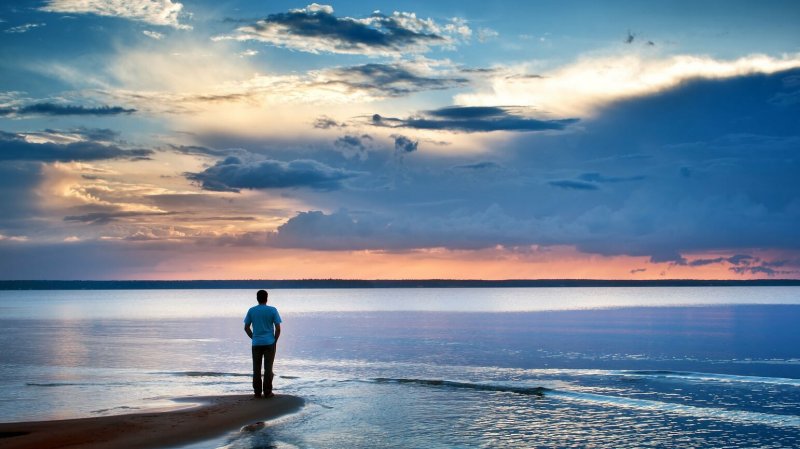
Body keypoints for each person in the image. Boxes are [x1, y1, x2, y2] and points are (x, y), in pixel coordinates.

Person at [244, 289, 282, 398]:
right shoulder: (272, 310)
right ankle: (267, 391)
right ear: (267, 298)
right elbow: (278, 328)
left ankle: (257, 392)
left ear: (257, 298)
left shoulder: (252, 310)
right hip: (269, 342)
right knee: (268, 368)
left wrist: (253, 337)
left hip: (256, 343)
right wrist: (275, 340)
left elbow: (246, 328)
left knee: (256, 368)